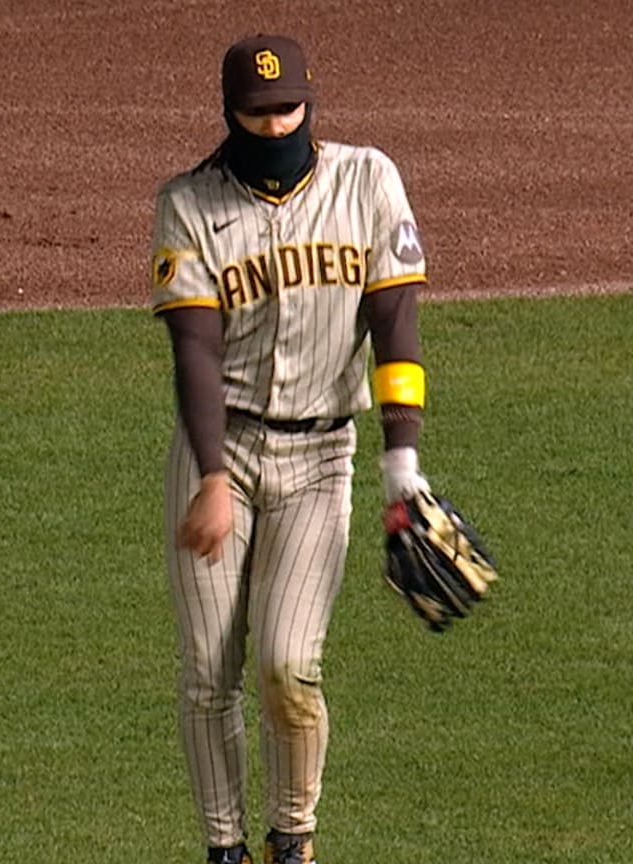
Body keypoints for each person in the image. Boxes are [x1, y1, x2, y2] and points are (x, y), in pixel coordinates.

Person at [147, 34, 432, 864]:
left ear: (312, 101)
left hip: (321, 462)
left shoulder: (368, 181)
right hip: (221, 451)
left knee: (286, 666)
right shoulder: (188, 205)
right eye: (257, 112)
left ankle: (293, 840)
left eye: (288, 108)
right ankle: (225, 849)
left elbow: (395, 326)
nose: (275, 126)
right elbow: (193, 350)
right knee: (208, 668)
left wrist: (401, 467)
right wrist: (209, 477)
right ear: (229, 113)